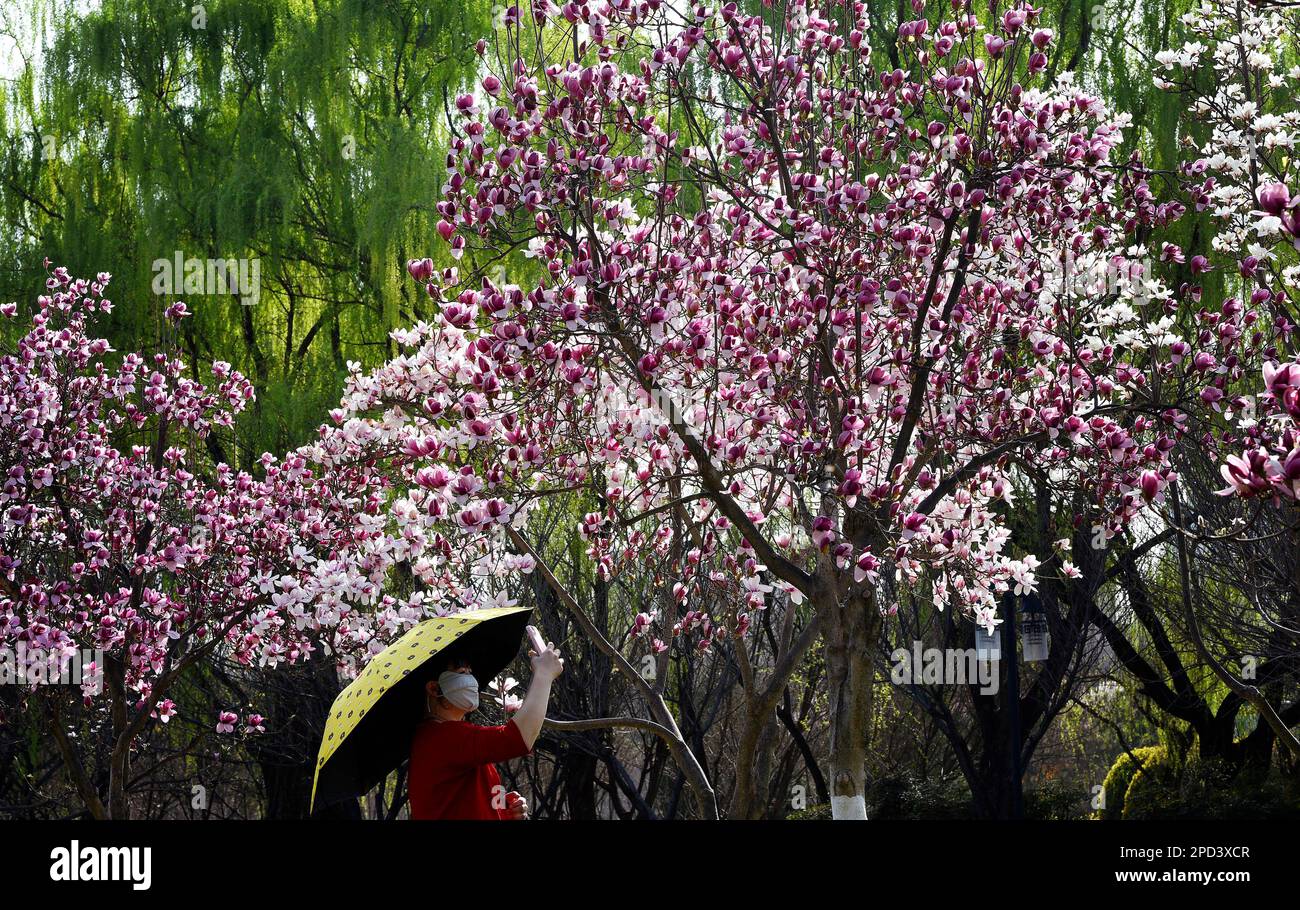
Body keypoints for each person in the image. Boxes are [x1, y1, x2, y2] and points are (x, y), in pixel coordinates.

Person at [407, 636, 563, 820]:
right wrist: (544, 675)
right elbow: (516, 738)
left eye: (470, 671)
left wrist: (505, 813)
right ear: (434, 689)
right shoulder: (442, 737)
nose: (471, 679)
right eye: (462, 672)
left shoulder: (435, 736)